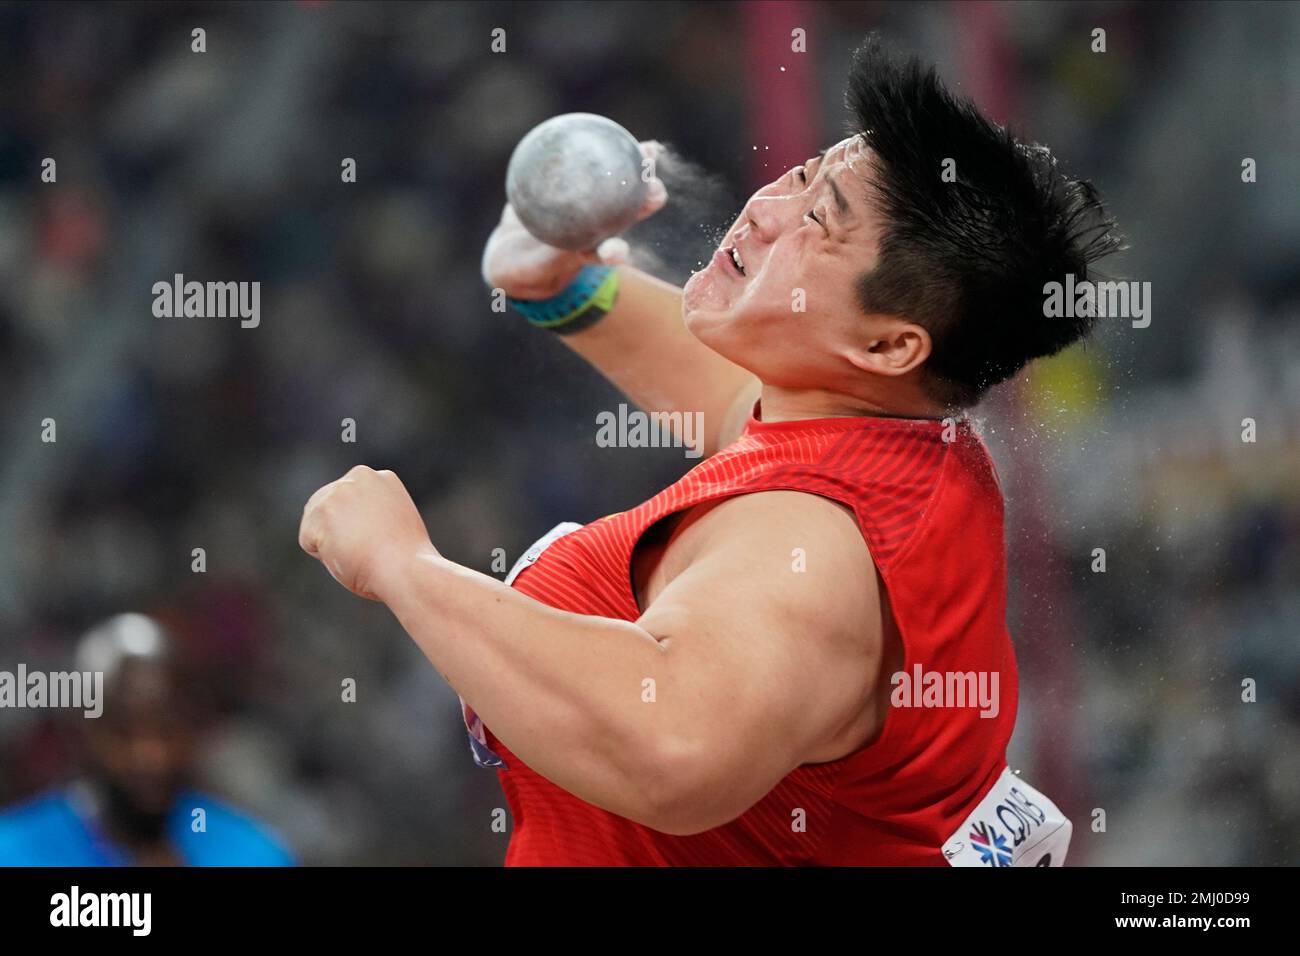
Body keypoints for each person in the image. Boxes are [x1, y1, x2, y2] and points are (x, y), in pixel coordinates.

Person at [298, 36, 1122, 865]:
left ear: (888, 345)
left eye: (819, 221)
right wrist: (564, 287)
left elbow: (673, 749)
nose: (766, 209)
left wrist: (404, 567)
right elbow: (735, 402)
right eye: (802, 175)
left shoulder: (811, 553)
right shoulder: (901, 444)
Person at [0, 613, 293, 866]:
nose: (150, 757)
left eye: (167, 730)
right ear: (81, 732)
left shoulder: (252, 855)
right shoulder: (13, 853)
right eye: (122, 731)